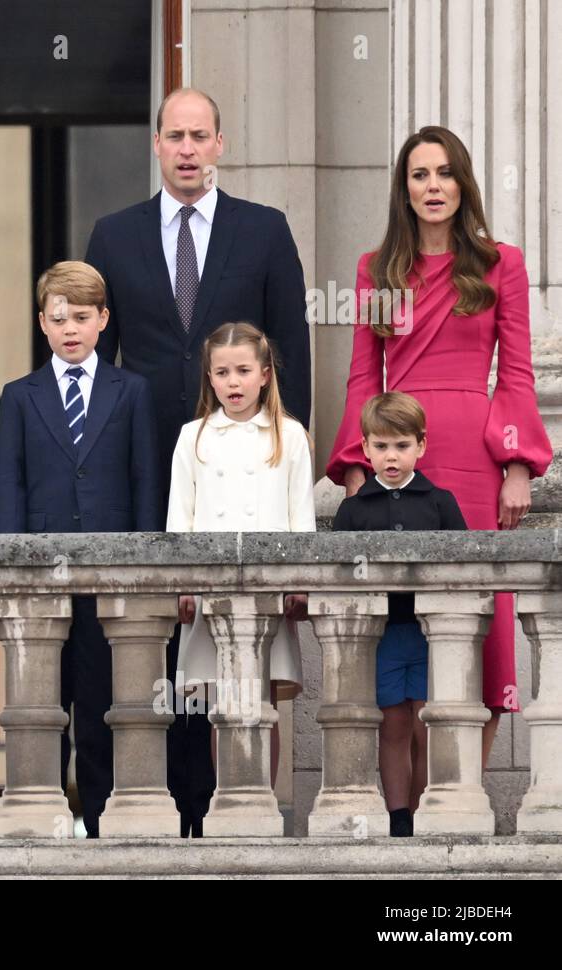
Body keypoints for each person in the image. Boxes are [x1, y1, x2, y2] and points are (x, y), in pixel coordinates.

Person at [85, 87, 310, 836]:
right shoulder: (113, 236)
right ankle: (164, 807)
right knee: (157, 633)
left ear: (220, 143)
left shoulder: (265, 231)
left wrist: (289, 457)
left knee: (232, 648)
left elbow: (292, 353)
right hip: (143, 463)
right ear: (156, 144)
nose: (186, 148)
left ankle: (226, 808)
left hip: (244, 468)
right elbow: (94, 357)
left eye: (199, 135)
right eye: (174, 135)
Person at [325, 126, 552, 763]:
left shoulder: (500, 262)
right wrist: (353, 466)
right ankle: (414, 802)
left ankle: (463, 795)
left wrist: (517, 464)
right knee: (408, 622)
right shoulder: (378, 270)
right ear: (404, 188)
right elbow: (364, 375)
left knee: (478, 620)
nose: (434, 186)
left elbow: (517, 372)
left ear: (463, 184)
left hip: (476, 459)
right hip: (398, 449)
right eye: (420, 174)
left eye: (446, 173)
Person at [0, 261, 159, 837]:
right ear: (42, 322)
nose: (70, 329)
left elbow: (144, 483)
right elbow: (9, 488)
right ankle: (42, 821)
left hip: (111, 578)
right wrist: (8, 575)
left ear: (103, 320)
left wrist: (144, 574)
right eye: (58, 318)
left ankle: (100, 827)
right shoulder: (20, 396)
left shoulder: (132, 390)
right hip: (40, 577)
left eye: (82, 318)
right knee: (42, 707)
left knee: (99, 705)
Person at [167, 322, 314, 795]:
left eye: (244, 371)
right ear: (209, 378)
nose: (233, 382)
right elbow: (180, 520)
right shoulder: (192, 436)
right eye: (222, 372)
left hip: (267, 591)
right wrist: (182, 585)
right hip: (213, 593)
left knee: (263, 703)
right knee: (224, 707)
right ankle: (230, 800)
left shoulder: (289, 436)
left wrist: (299, 582)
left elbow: (301, 518)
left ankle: (263, 803)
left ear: (265, 374)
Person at [332, 392, 467, 836]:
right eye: (382, 446)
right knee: (392, 724)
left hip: (433, 636)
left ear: (421, 446)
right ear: (366, 449)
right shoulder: (353, 511)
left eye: (402, 446)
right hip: (383, 636)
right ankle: (398, 818)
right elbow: (339, 580)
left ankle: (424, 811)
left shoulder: (440, 502)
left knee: (428, 723)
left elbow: (463, 569)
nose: (392, 456)